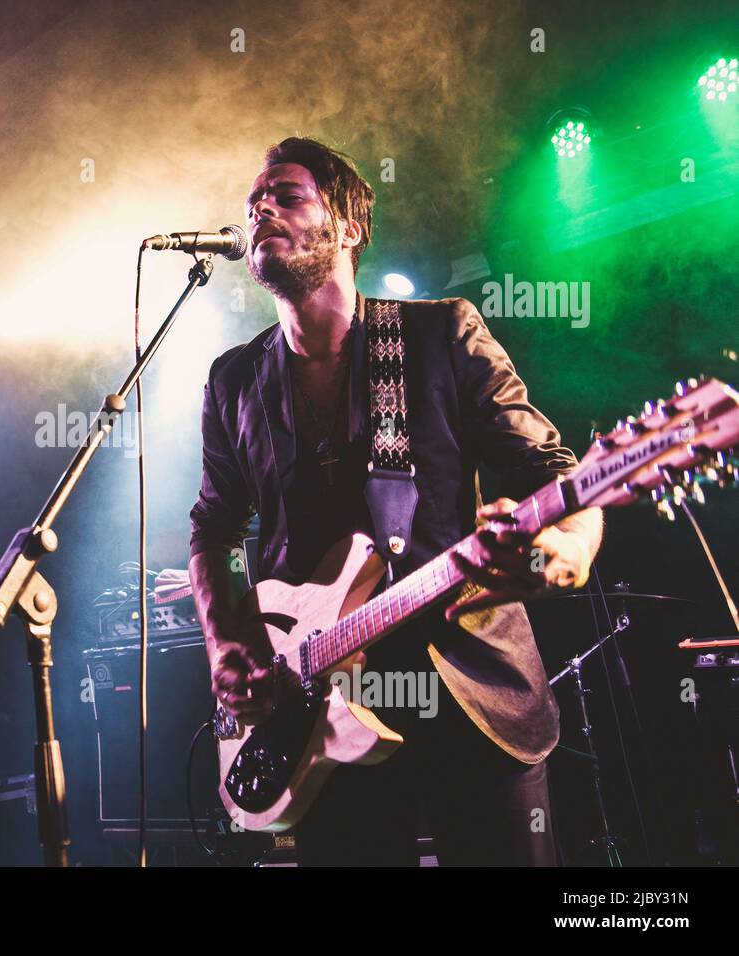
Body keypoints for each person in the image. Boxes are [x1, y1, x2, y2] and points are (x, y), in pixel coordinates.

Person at [188, 137, 604, 865]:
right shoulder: (232, 381)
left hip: (469, 689)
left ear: (349, 226)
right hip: (315, 710)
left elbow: (554, 471)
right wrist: (230, 645)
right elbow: (214, 528)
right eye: (255, 200)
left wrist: (567, 550)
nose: (260, 208)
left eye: (286, 195)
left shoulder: (439, 334)